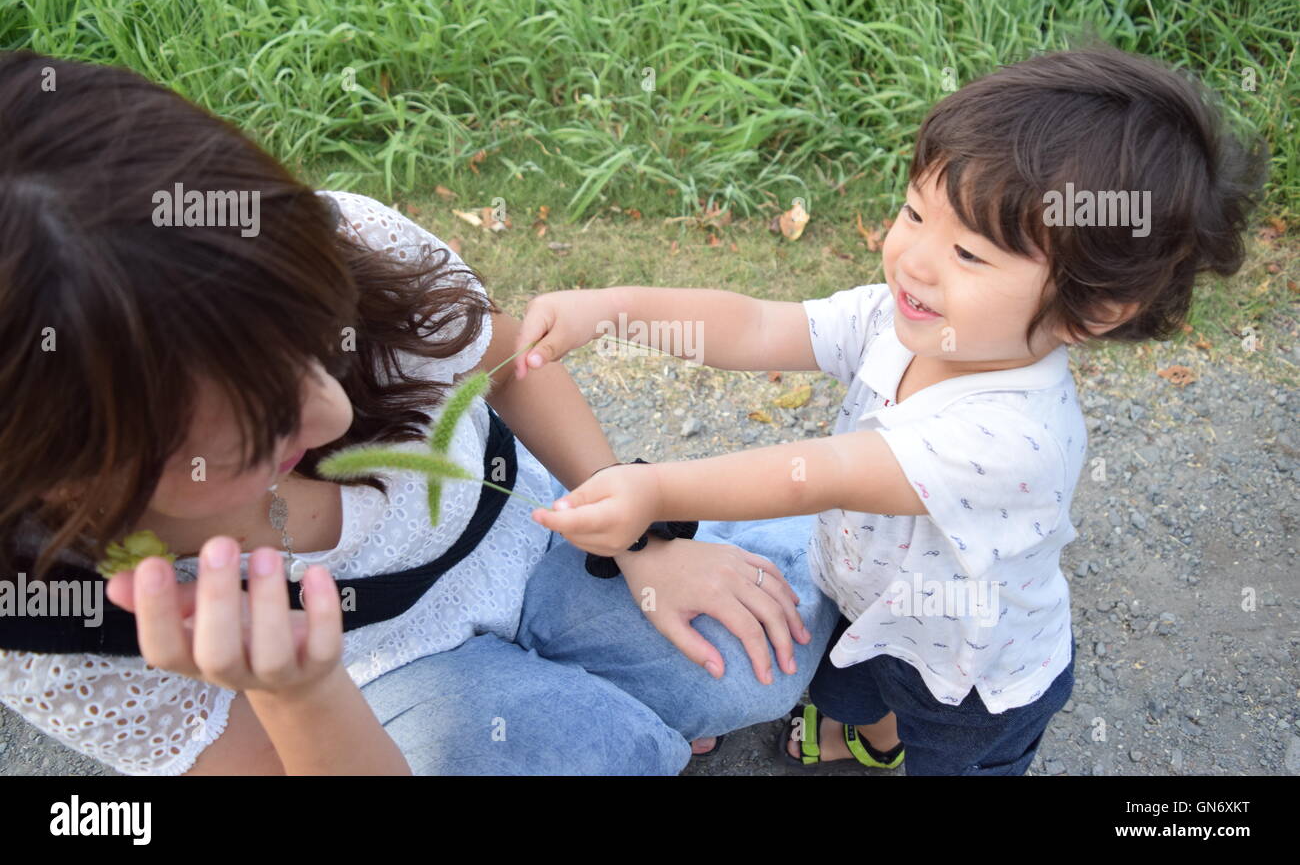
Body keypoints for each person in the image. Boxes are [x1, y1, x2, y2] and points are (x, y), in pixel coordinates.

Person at [0, 51, 840, 775]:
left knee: (759, 656)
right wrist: (299, 688)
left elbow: (509, 368)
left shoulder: (334, 243)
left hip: (530, 535)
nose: (330, 413)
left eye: (311, 343)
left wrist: (641, 539)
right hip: (389, 676)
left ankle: (622, 709)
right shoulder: (57, 618)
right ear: (74, 481)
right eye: (261, 433)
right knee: (585, 748)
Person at [514, 45, 1268, 773]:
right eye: (914, 213)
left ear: (1095, 307)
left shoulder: (1011, 437)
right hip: (863, 595)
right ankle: (870, 738)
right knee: (852, 683)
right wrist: (615, 310)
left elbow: (827, 474)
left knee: (953, 753)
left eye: (969, 254)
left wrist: (658, 491)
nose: (912, 257)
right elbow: (756, 325)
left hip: (968, 671)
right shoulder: (902, 318)